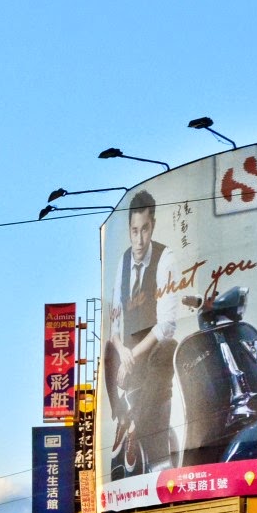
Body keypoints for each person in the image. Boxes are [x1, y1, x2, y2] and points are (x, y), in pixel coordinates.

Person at [103, 189, 178, 476]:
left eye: (144, 230)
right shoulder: (122, 262)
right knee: (108, 350)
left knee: (169, 347)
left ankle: (142, 430)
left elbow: (166, 324)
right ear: (129, 230)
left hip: (150, 350)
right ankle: (120, 414)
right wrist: (122, 351)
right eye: (134, 231)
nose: (139, 239)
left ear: (152, 226)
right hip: (128, 355)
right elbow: (114, 325)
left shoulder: (164, 257)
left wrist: (132, 354)